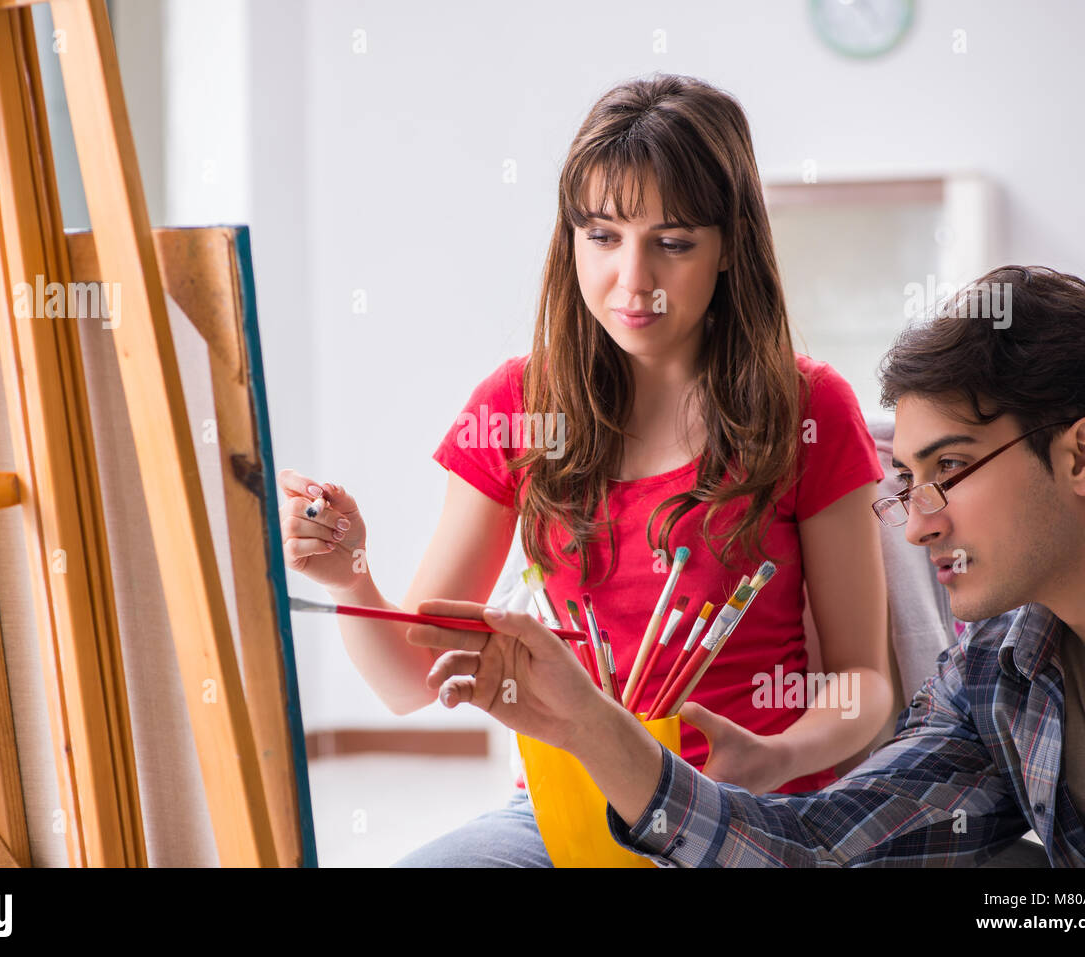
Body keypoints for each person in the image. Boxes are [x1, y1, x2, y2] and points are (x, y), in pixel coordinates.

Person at [279, 74, 892, 866]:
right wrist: (348, 577)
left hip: (746, 813)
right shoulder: (514, 406)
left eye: (672, 243)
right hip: (566, 815)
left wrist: (777, 756)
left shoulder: (808, 407)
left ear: (731, 244)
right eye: (602, 236)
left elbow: (864, 684)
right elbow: (410, 681)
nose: (632, 281)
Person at [410, 265, 1085, 867]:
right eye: (905, 484)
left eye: (952, 467)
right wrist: (593, 729)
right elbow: (815, 843)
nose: (917, 526)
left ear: (1081, 454)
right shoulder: (996, 681)